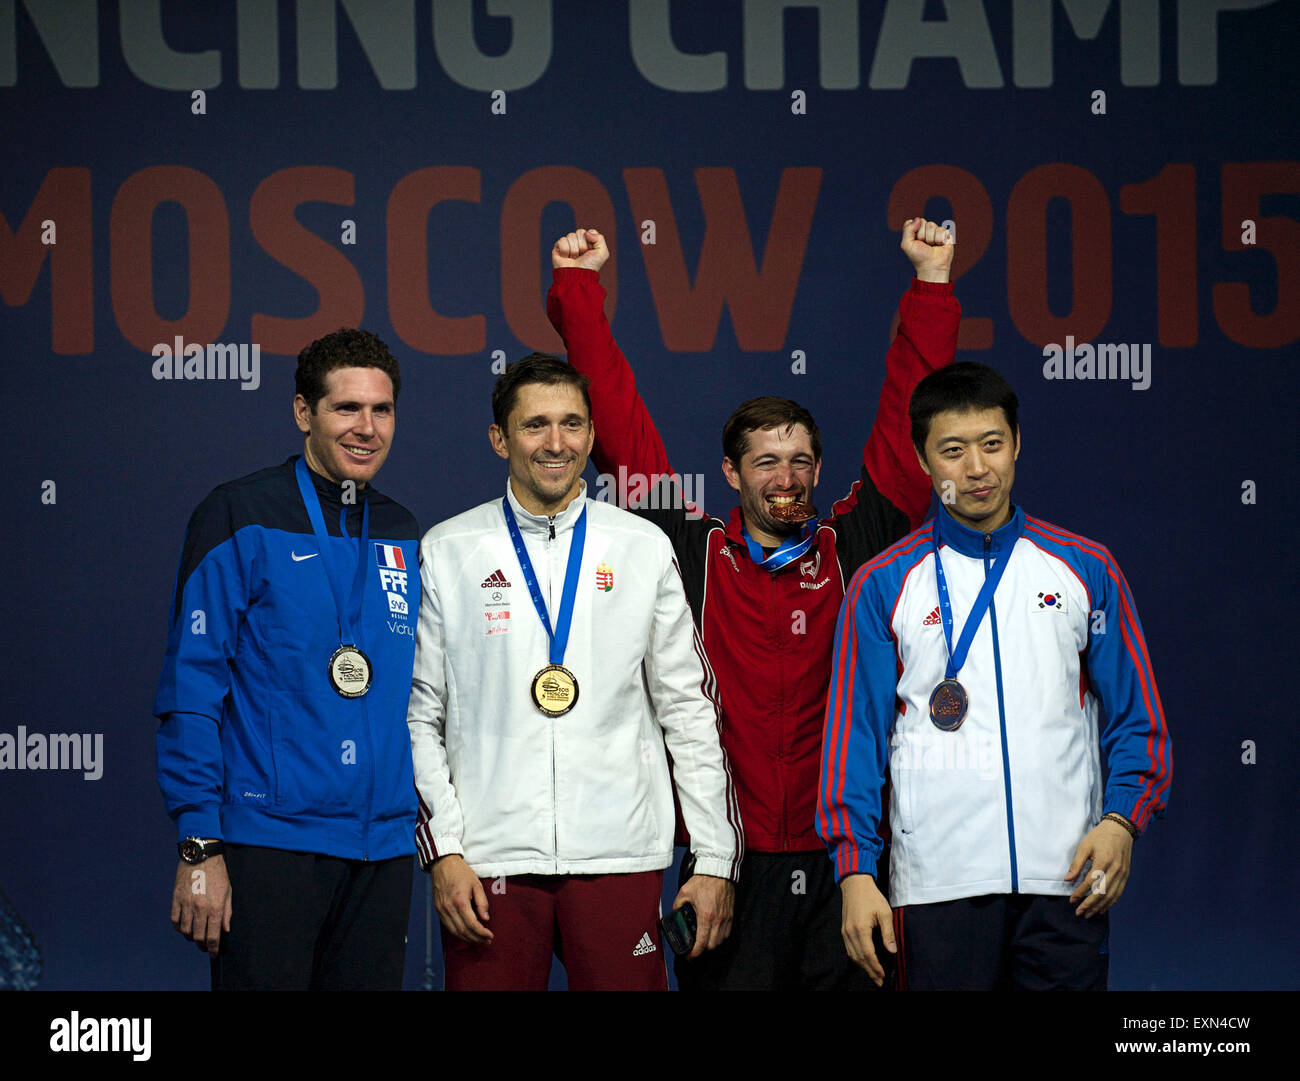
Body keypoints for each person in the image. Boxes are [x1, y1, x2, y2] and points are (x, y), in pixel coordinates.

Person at [544, 219, 958, 990]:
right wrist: (579, 290)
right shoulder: (694, 555)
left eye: (802, 460)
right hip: (727, 863)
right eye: (766, 460)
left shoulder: (853, 548)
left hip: (850, 858)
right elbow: (622, 435)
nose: (787, 477)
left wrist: (931, 284)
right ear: (731, 474)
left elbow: (908, 430)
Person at [820, 362, 1172, 989]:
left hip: (1067, 881)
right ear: (924, 461)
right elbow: (854, 742)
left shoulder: (1086, 570)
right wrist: (854, 872)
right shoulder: (882, 585)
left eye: (992, 444)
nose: (977, 469)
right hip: (936, 886)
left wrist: (1122, 820)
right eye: (952, 451)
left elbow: (1137, 718)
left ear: (1017, 443)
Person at [407, 355, 741, 991]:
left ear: (591, 435)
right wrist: (445, 849)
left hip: (620, 855)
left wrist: (715, 857)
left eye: (572, 425)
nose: (556, 443)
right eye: (535, 425)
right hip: (487, 861)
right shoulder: (449, 550)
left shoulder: (642, 547)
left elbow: (689, 711)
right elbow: (421, 715)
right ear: (499, 438)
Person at [154, 328, 421, 990]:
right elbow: (191, 685)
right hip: (271, 845)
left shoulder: (404, 530)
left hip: (383, 851)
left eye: (381, 410)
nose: (367, 428)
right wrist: (200, 843)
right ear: (304, 412)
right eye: (346, 408)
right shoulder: (239, 512)